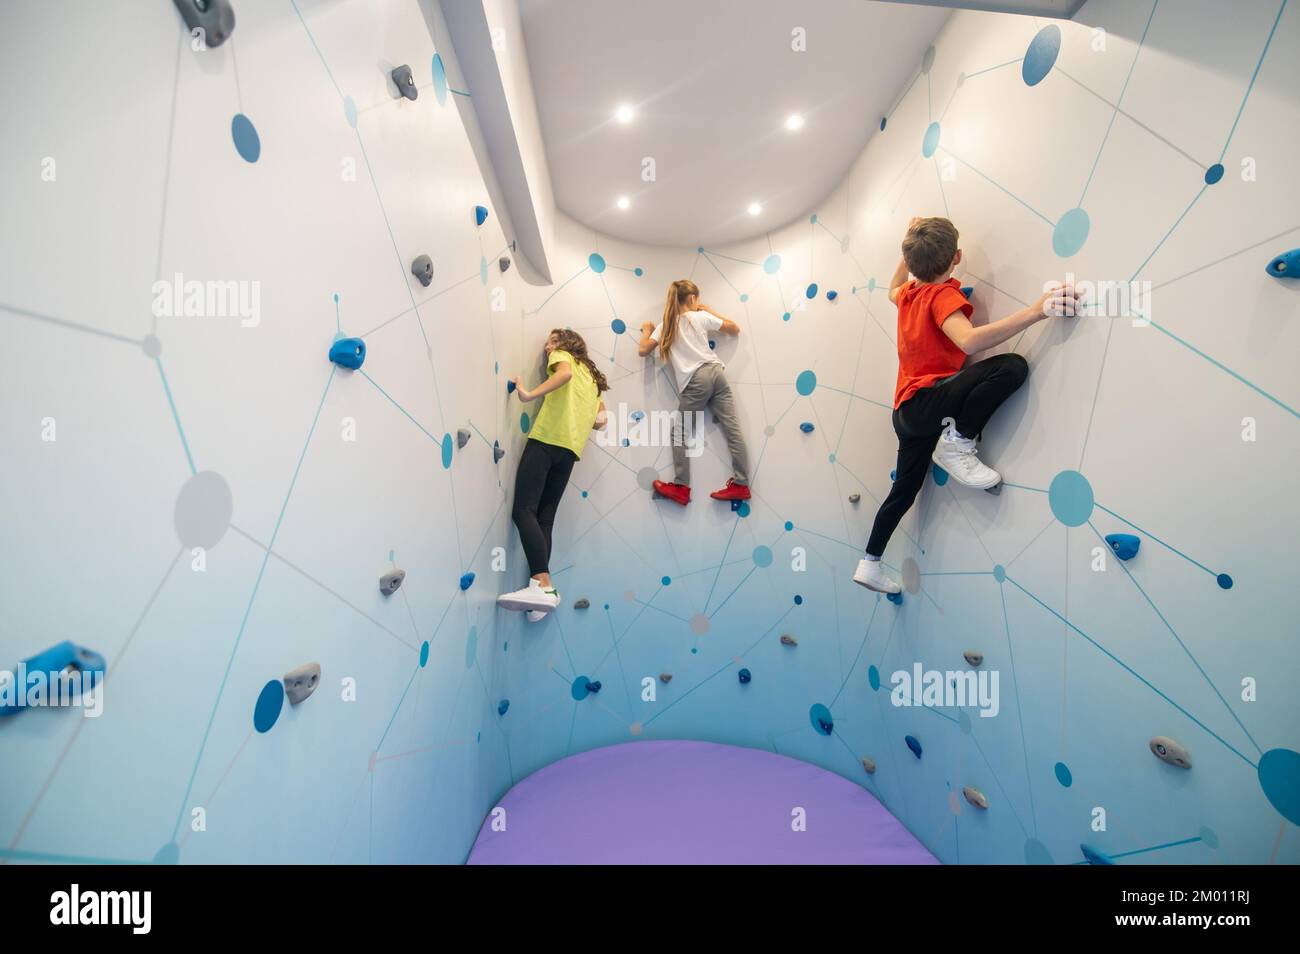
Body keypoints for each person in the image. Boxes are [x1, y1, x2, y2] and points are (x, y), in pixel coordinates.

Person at [854, 216, 1078, 594]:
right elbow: (969, 341)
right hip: (929, 402)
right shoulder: (941, 296)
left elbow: (892, 288)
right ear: (956, 257)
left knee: (904, 491)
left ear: (911, 263)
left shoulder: (908, 293)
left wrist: (906, 248)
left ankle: (869, 563)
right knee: (1011, 366)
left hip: (905, 413)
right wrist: (1035, 311)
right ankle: (957, 443)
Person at [497, 329, 608, 619]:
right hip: (570, 451)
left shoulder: (564, 358)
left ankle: (543, 584)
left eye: (552, 341)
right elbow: (601, 421)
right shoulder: (593, 379)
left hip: (547, 440)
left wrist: (528, 394)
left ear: (566, 345)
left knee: (523, 511)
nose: (547, 347)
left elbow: (565, 374)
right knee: (545, 518)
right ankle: (541, 595)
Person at [637, 279, 752, 506]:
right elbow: (734, 328)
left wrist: (647, 331)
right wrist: (709, 310)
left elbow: (643, 350)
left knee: (679, 433)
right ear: (692, 298)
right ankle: (741, 484)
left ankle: (681, 487)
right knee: (732, 430)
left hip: (696, 380)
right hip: (717, 373)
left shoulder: (665, 325)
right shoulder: (700, 317)